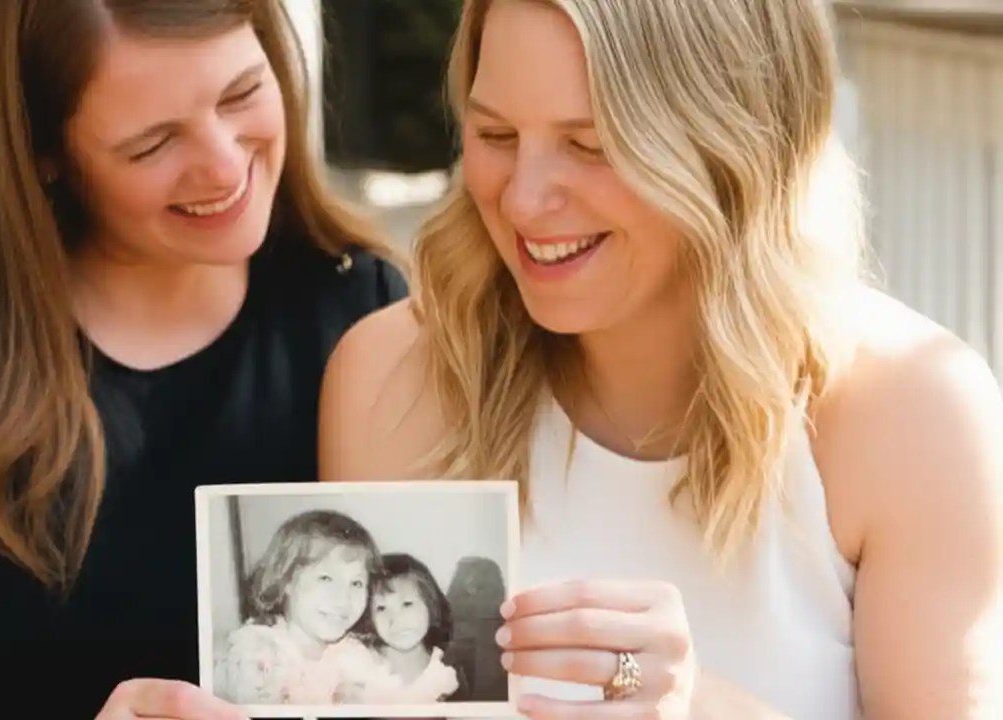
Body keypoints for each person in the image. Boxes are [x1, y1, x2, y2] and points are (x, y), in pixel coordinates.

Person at [319, 0, 1003, 718]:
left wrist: (702, 706)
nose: (522, 198)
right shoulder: (395, 377)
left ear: (728, 145)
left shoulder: (914, 410)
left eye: (589, 145)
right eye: (496, 134)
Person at [0, 1, 406, 718]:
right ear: (38, 151)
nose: (223, 166)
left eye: (241, 93)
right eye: (152, 144)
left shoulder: (356, 311)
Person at [213, 509, 381, 705]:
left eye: (356, 583)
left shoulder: (356, 659)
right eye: (326, 578)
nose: (343, 599)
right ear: (286, 581)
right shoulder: (253, 659)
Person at [358, 553, 464, 704]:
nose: (395, 620)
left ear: (431, 605)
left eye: (407, 604)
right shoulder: (359, 666)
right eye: (381, 608)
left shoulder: (448, 676)